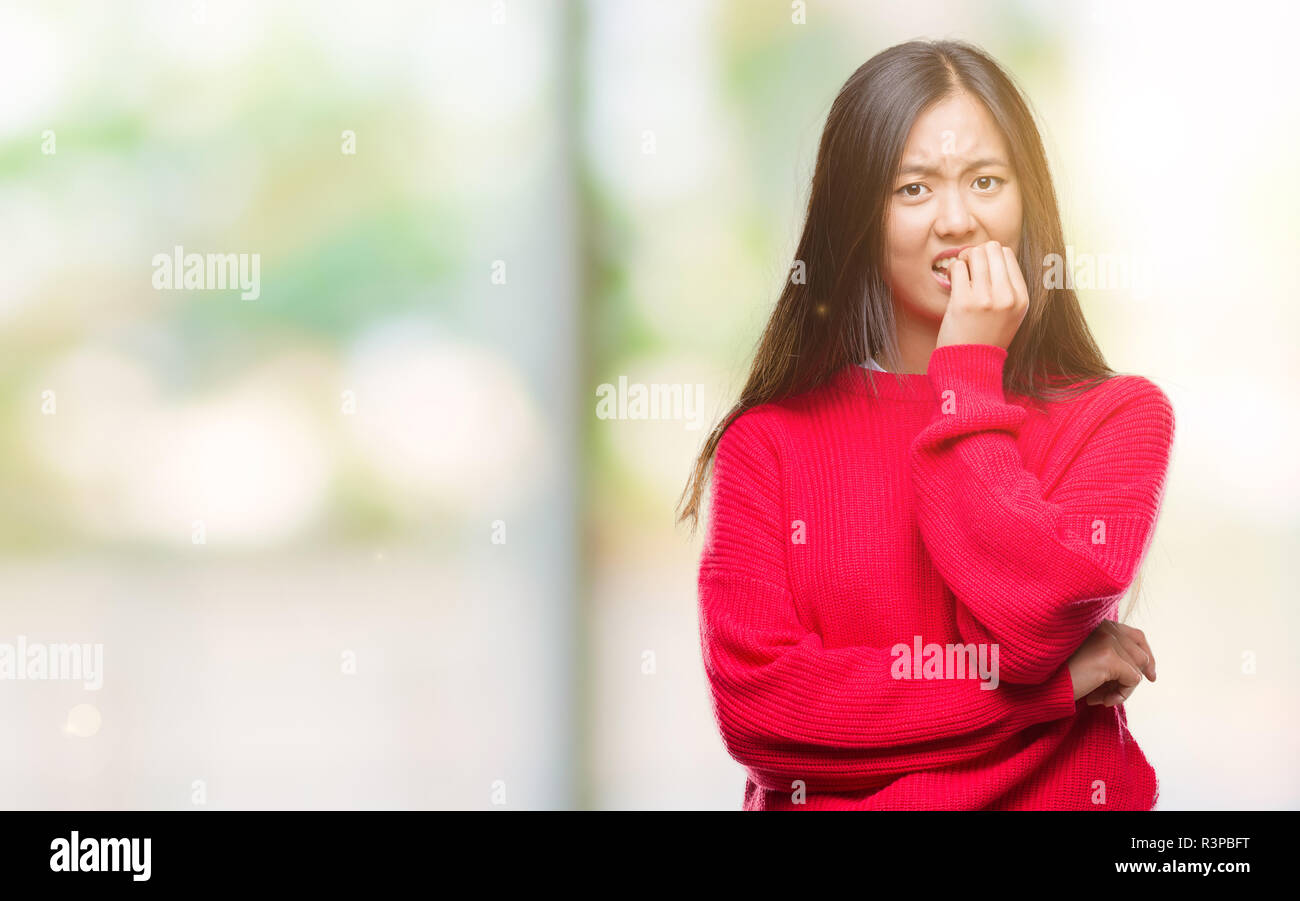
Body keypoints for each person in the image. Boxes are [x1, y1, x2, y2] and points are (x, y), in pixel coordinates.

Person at [676, 39, 1174, 810]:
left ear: (1028, 202)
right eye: (913, 188)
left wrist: (968, 374)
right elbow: (767, 716)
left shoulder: (1118, 417)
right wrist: (1049, 694)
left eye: (985, 180)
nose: (957, 220)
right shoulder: (766, 444)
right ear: (857, 213)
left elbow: (1025, 629)